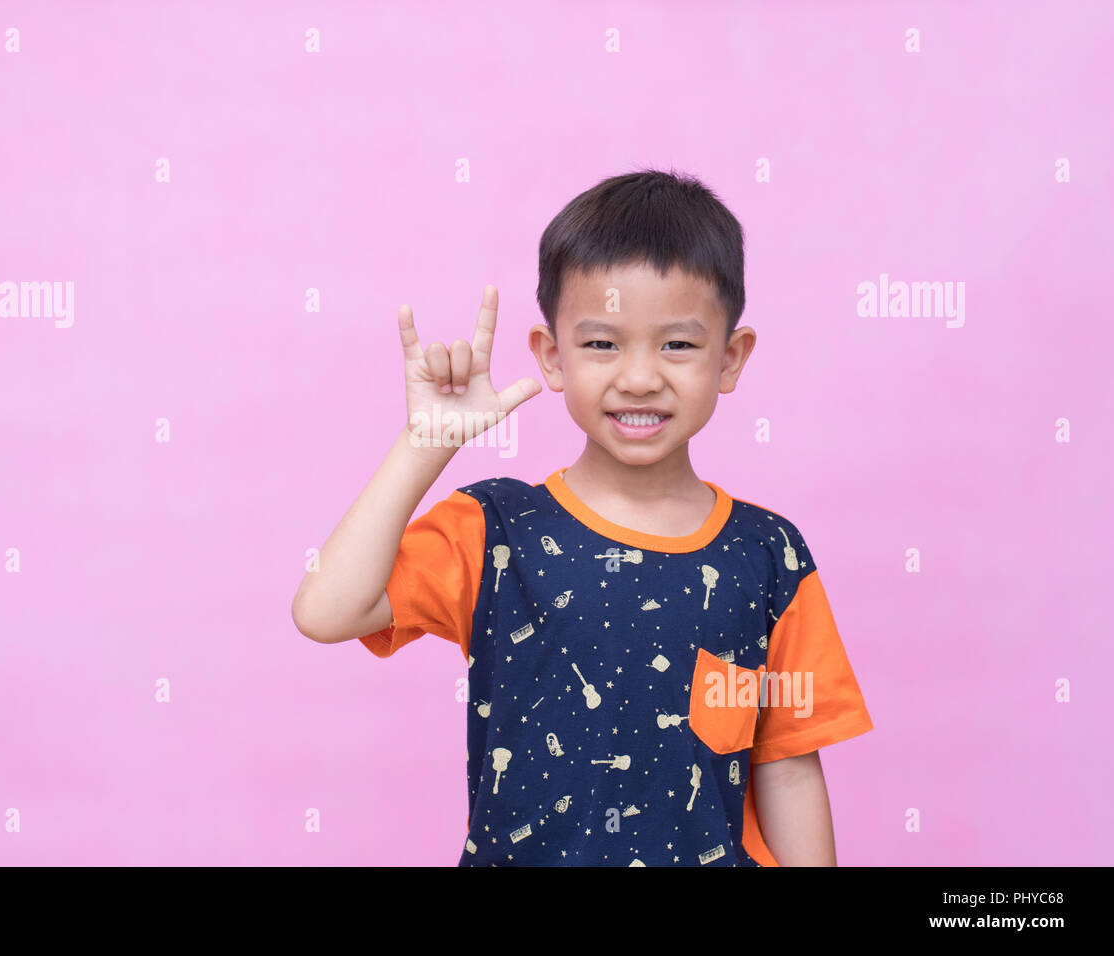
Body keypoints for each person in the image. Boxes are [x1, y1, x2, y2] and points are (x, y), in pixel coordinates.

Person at [291, 168, 873, 866]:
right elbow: (327, 610)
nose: (638, 377)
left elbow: (787, 762)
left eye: (677, 345)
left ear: (732, 357)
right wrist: (427, 445)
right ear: (551, 356)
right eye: (602, 343)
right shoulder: (497, 530)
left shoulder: (767, 553)